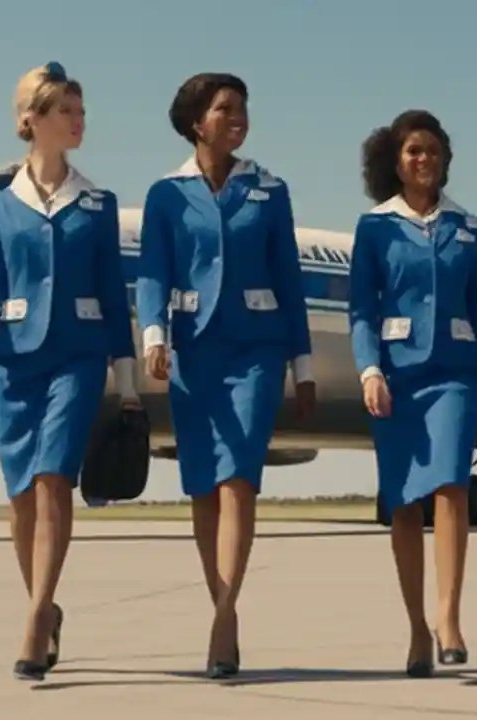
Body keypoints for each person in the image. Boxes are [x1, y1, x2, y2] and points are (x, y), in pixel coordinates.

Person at [0, 61, 141, 682]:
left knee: (54, 477)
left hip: (78, 359)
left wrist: (127, 380)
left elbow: (114, 295)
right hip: (18, 365)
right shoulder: (1, 205)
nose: (79, 122)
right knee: (18, 498)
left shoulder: (97, 203)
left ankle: (34, 619)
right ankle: (48, 605)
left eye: (82, 113)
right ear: (32, 121)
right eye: (67, 111)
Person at [135, 72, 316, 679]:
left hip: (256, 352)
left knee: (240, 475)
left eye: (242, 107)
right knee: (203, 486)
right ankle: (221, 601)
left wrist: (303, 362)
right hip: (193, 350)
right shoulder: (166, 194)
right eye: (225, 108)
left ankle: (225, 618)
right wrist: (154, 334)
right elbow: (155, 272)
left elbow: (288, 276)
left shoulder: (269, 190)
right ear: (196, 123)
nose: (238, 116)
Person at [348, 110, 477, 678]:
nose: (424, 160)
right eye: (413, 151)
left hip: (456, 374)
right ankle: (415, 626)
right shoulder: (375, 227)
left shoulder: (470, 227)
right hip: (396, 376)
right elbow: (362, 308)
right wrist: (368, 370)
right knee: (403, 503)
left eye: (433, 151)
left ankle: (449, 616)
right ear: (396, 161)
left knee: (452, 485)